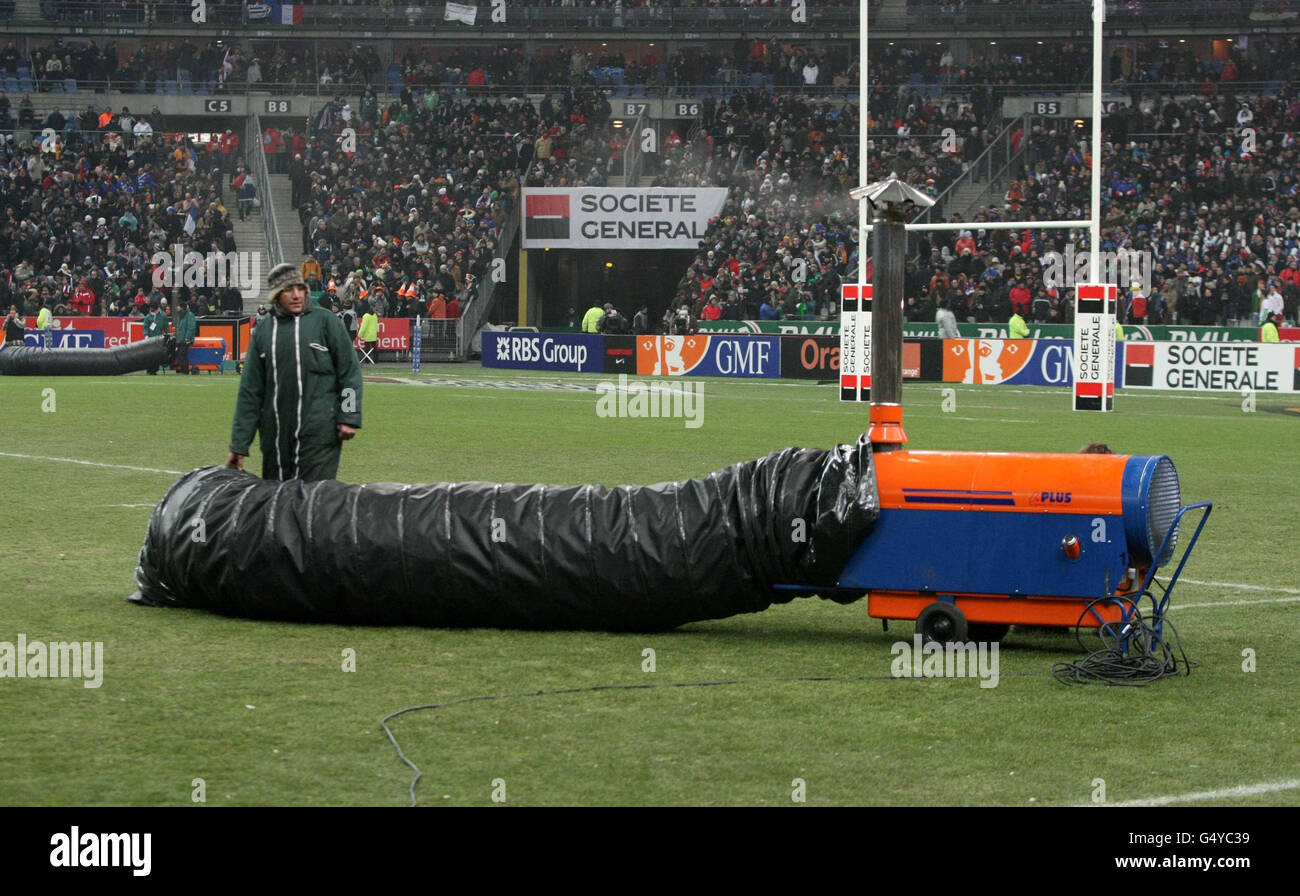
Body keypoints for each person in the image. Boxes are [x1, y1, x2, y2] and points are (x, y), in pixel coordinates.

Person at [226, 263, 362, 482]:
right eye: (288, 290)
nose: (296, 295)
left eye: (300, 288)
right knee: (277, 504)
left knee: (313, 503)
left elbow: (349, 372)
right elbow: (250, 392)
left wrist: (349, 416)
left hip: (320, 434)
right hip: (275, 437)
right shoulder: (263, 332)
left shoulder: (325, 321)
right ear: (276, 296)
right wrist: (239, 445)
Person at [142, 300, 170, 374]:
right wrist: (146, 335)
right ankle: (149, 369)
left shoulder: (163, 316)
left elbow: (166, 327)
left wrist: (168, 335)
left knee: (156, 355)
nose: (151, 310)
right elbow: (145, 327)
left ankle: (154, 370)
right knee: (150, 355)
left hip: (159, 339)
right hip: (150, 339)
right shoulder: (148, 317)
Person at [173, 298, 198, 374]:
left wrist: (187, 337)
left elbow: (191, 327)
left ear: (182, 307)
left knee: (183, 355)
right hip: (181, 339)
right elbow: (179, 329)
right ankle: (183, 370)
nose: (177, 308)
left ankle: (185, 371)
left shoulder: (189, 315)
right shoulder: (180, 316)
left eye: (178, 307)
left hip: (185, 340)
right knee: (181, 355)